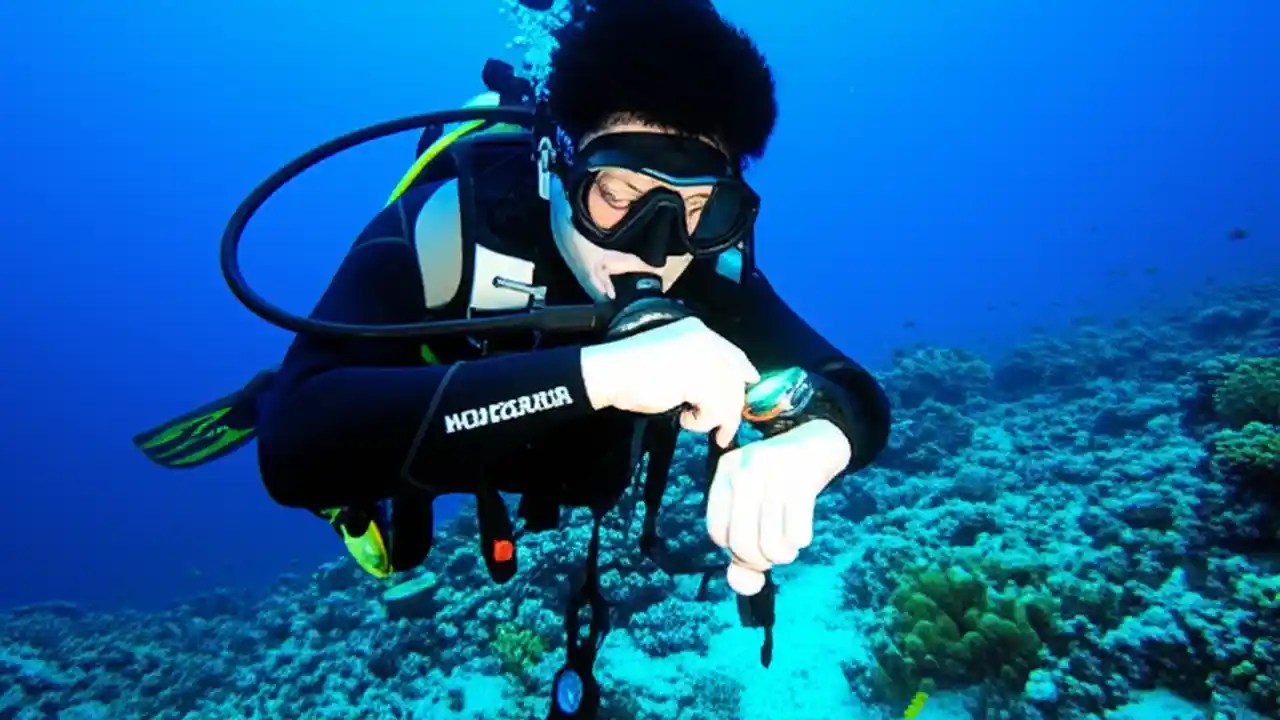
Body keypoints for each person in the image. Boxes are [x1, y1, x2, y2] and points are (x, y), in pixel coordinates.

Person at [135, 1, 890, 716]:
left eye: (695, 209)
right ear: (555, 166)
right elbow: (295, 449)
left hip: (563, 464)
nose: (656, 252)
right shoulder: (450, 226)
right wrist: (604, 373)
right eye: (619, 195)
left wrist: (813, 445)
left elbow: (855, 393)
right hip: (434, 415)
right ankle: (276, 395)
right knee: (399, 544)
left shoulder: (704, 267)